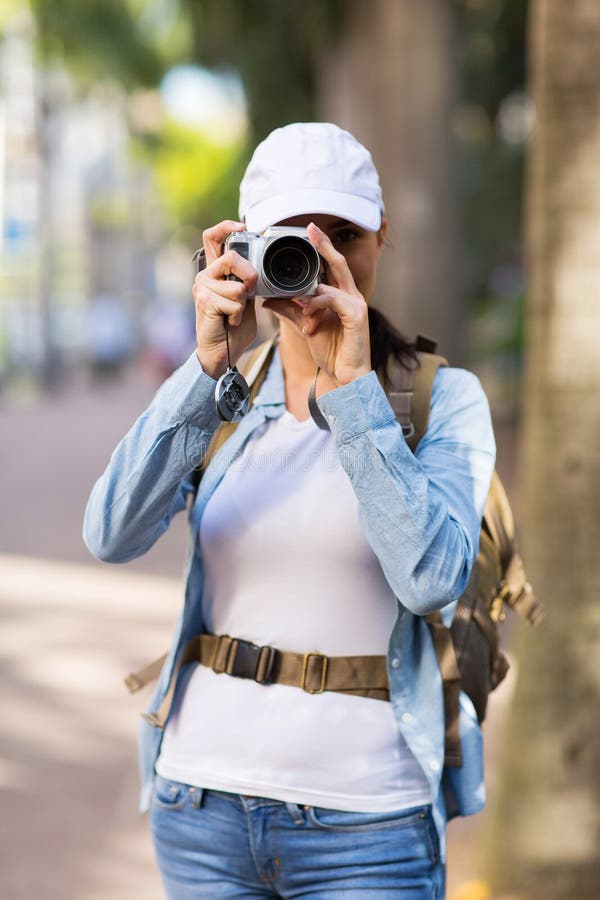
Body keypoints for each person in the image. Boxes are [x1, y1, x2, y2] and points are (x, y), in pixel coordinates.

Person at [83, 122, 496, 899]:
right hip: (201, 806)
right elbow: (110, 533)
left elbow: (431, 580)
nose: (318, 261)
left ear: (381, 238)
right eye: (291, 240)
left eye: (343, 236)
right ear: (241, 250)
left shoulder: (442, 400)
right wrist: (206, 368)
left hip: (370, 827)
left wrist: (355, 394)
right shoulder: (223, 397)